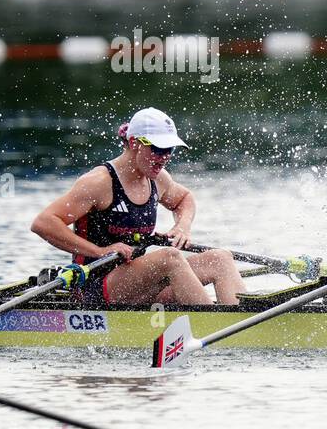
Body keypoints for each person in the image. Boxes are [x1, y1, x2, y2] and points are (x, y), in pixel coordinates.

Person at [30, 107, 246, 306]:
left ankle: (243, 326)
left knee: (221, 258)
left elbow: (184, 199)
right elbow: (44, 223)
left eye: (170, 149)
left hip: (141, 284)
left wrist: (182, 226)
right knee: (169, 258)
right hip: (96, 287)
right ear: (134, 143)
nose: (165, 157)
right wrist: (101, 251)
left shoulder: (158, 179)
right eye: (159, 149)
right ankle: (214, 326)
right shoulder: (99, 183)